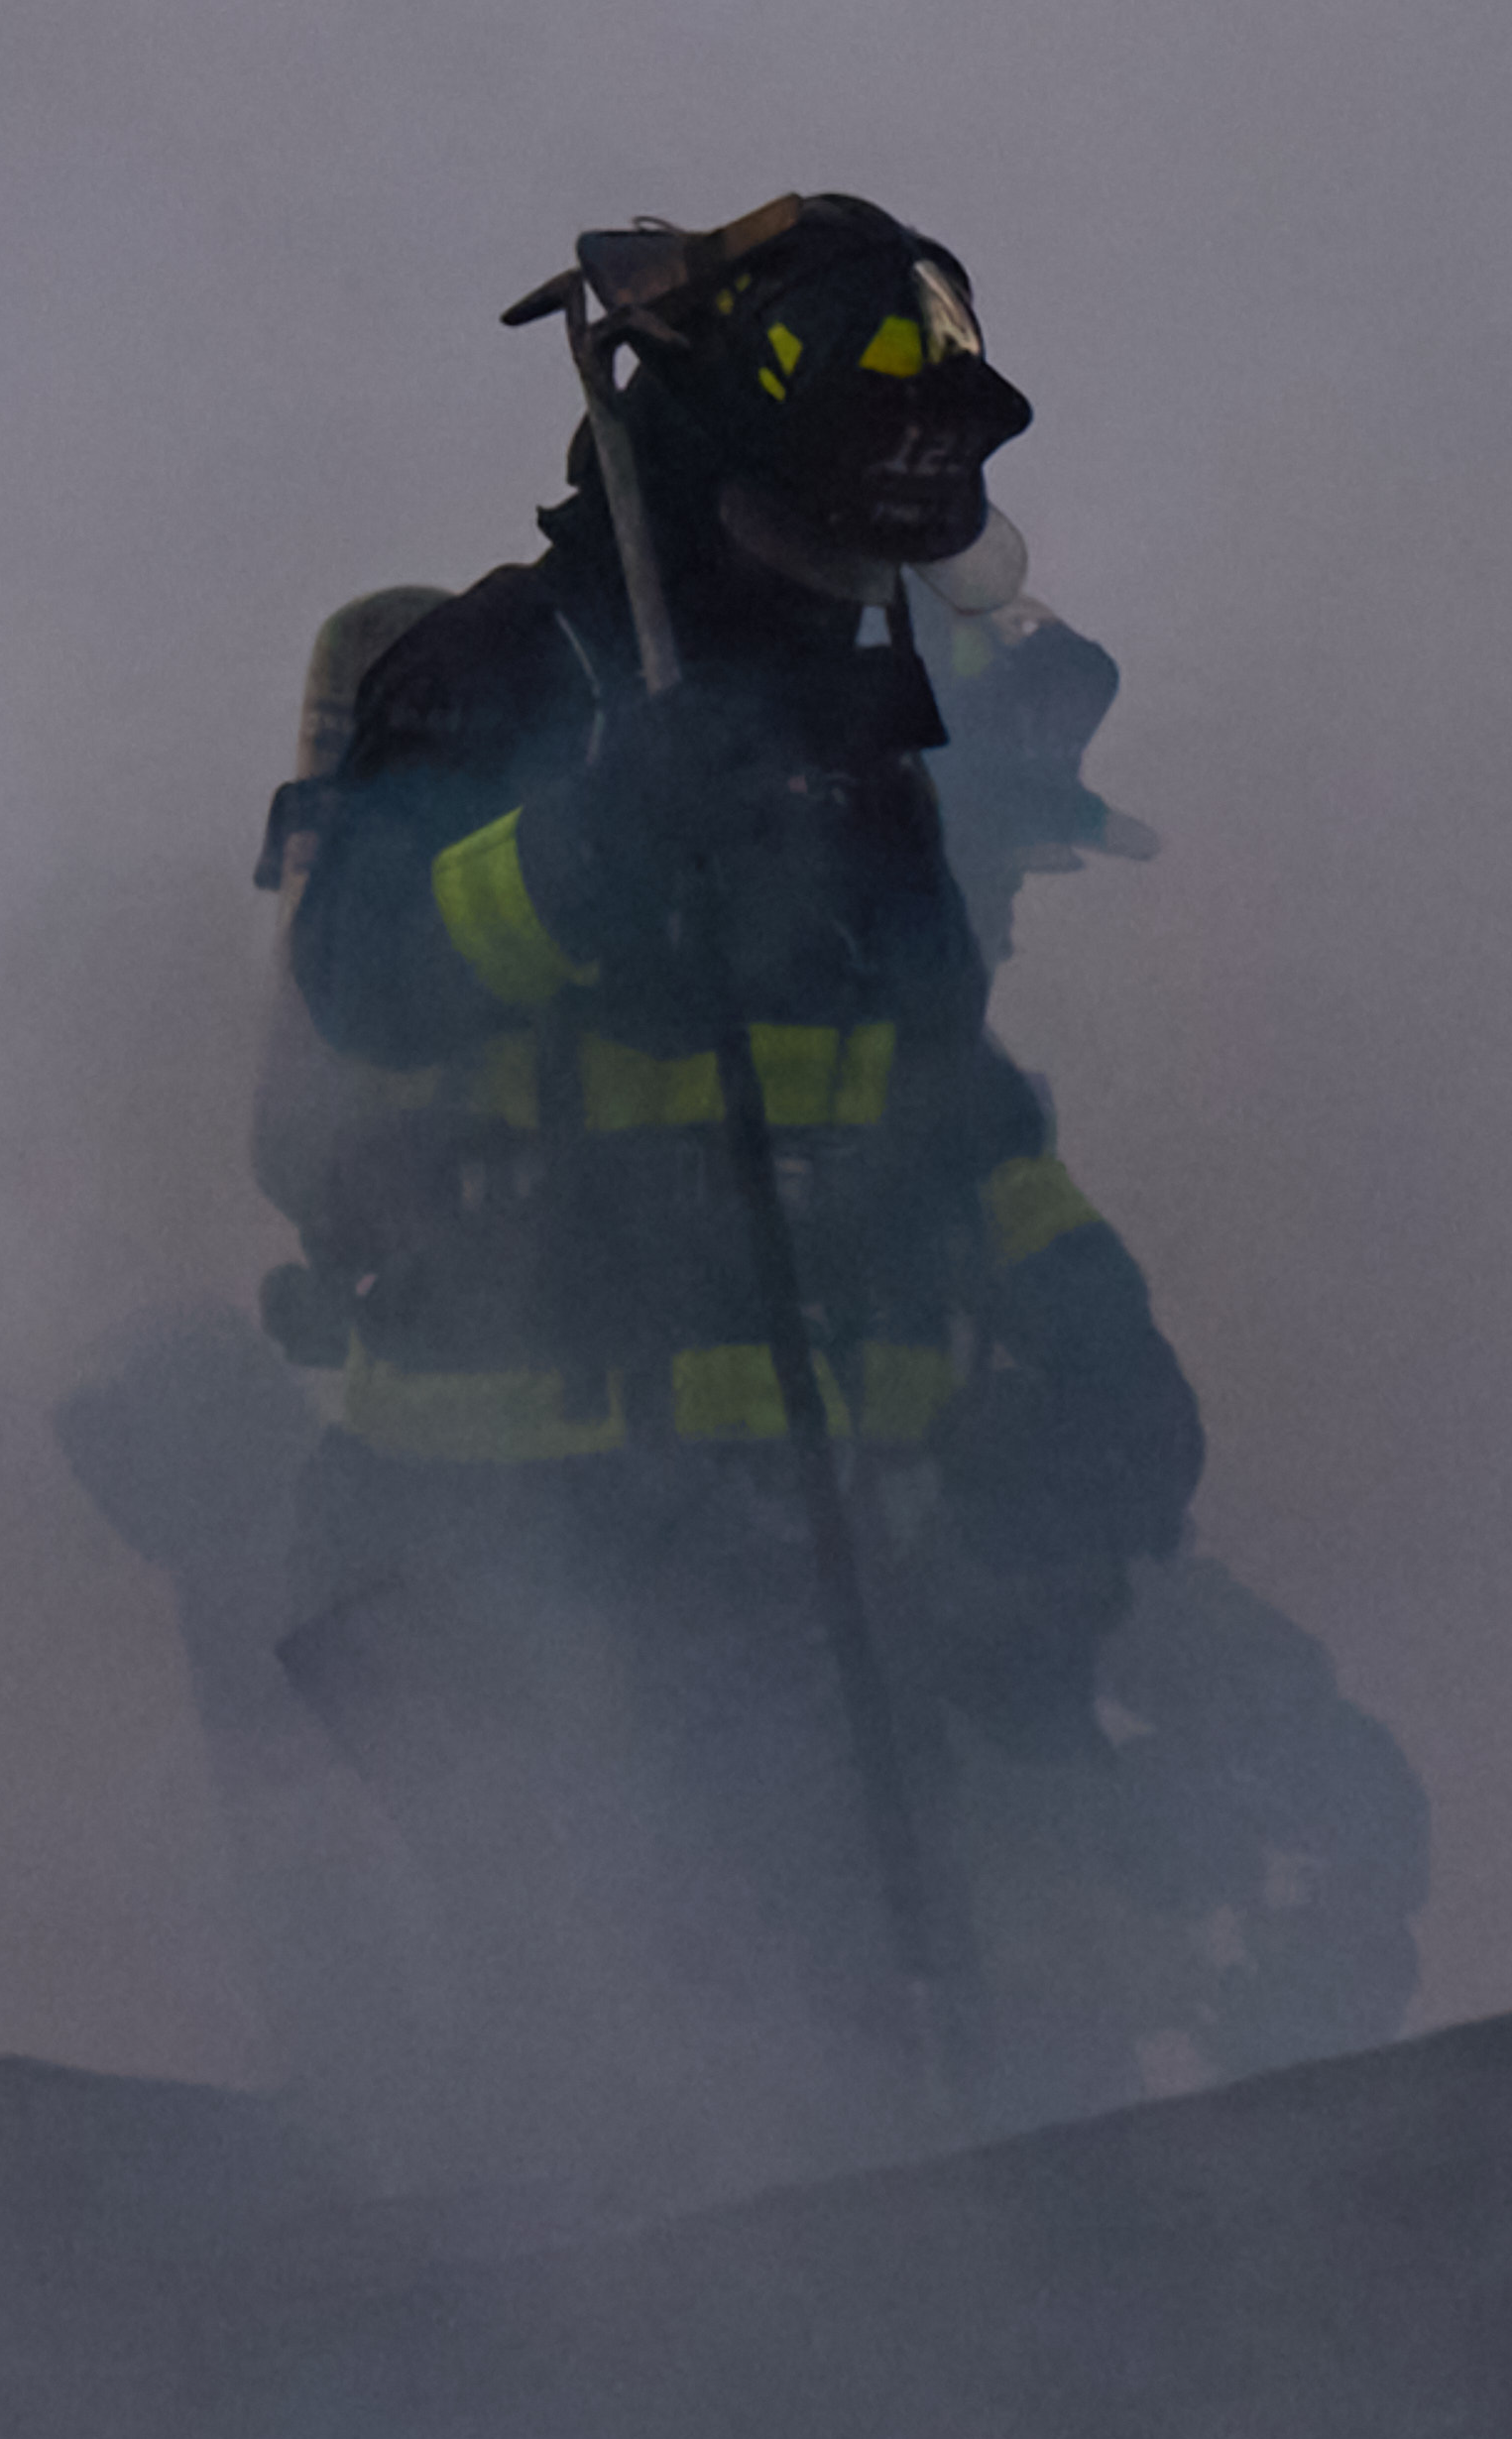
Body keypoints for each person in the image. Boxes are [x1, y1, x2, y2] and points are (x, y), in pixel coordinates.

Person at [258, 197, 1209, 2185]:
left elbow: (922, 1087)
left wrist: (1075, 1296)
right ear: (724, 456)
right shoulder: (506, 675)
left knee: (952, 2071)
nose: (860, 568)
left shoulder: (859, 706)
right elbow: (364, 974)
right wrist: (593, 844)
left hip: (816, 1552)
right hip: (515, 1568)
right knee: (649, 2114)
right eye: (831, 498)